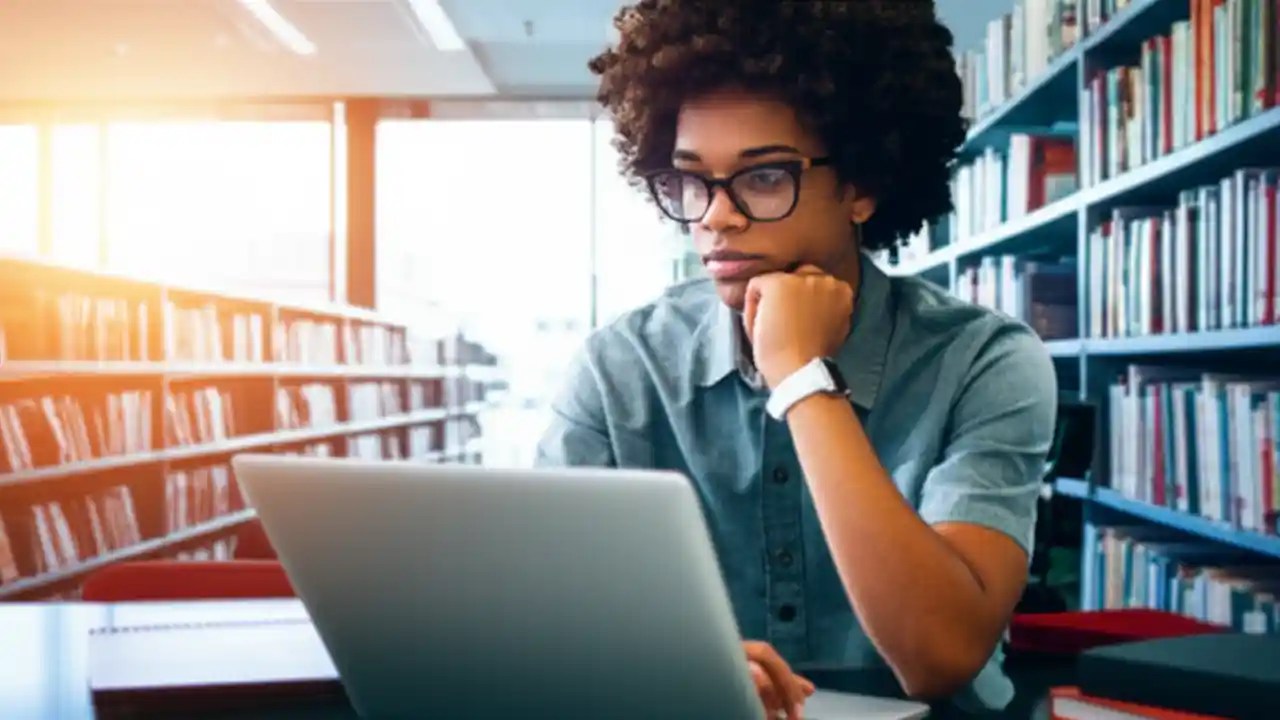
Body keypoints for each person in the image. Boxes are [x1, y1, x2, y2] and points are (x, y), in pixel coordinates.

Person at [536, 1, 1058, 718]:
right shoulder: (618, 367)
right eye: (691, 180)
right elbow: (543, 623)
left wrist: (803, 378)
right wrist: (678, 667)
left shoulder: (984, 360)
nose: (715, 215)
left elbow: (941, 656)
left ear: (862, 185)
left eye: (764, 177)